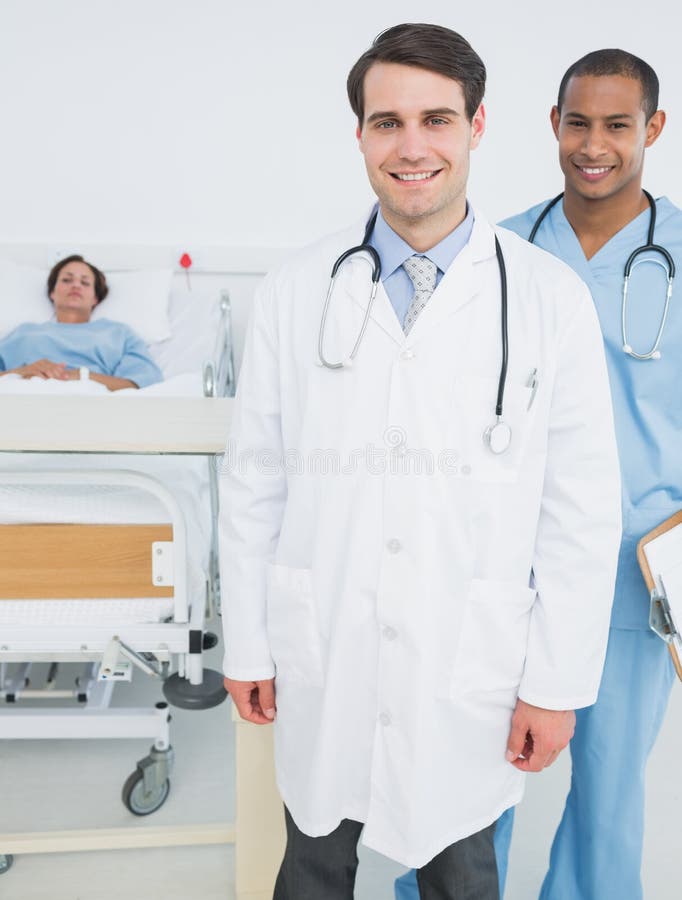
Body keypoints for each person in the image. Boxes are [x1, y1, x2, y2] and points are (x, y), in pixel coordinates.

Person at [219, 24, 622, 900]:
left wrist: (554, 683)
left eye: (436, 119)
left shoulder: (548, 299)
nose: (411, 147)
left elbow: (580, 509)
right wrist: (248, 640)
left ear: (477, 127)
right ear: (359, 134)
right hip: (325, 644)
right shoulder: (297, 287)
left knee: (461, 873)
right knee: (315, 865)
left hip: (466, 662)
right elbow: (255, 480)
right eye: (386, 121)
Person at [494, 49, 680, 900]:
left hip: (635, 563)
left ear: (653, 129)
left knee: (610, 793)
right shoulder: (500, 252)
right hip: (504, 555)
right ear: (555, 126)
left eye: (616, 124)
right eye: (578, 122)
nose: (593, 144)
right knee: (471, 779)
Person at [0, 254, 162, 390]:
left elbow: (140, 385)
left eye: (85, 282)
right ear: (52, 293)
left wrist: (81, 376)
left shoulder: (118, 333)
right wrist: (22, 372)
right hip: (24, 398)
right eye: (66, 280)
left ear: (95, 298)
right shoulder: (24, 332)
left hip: (91, 401)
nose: (76, 285)